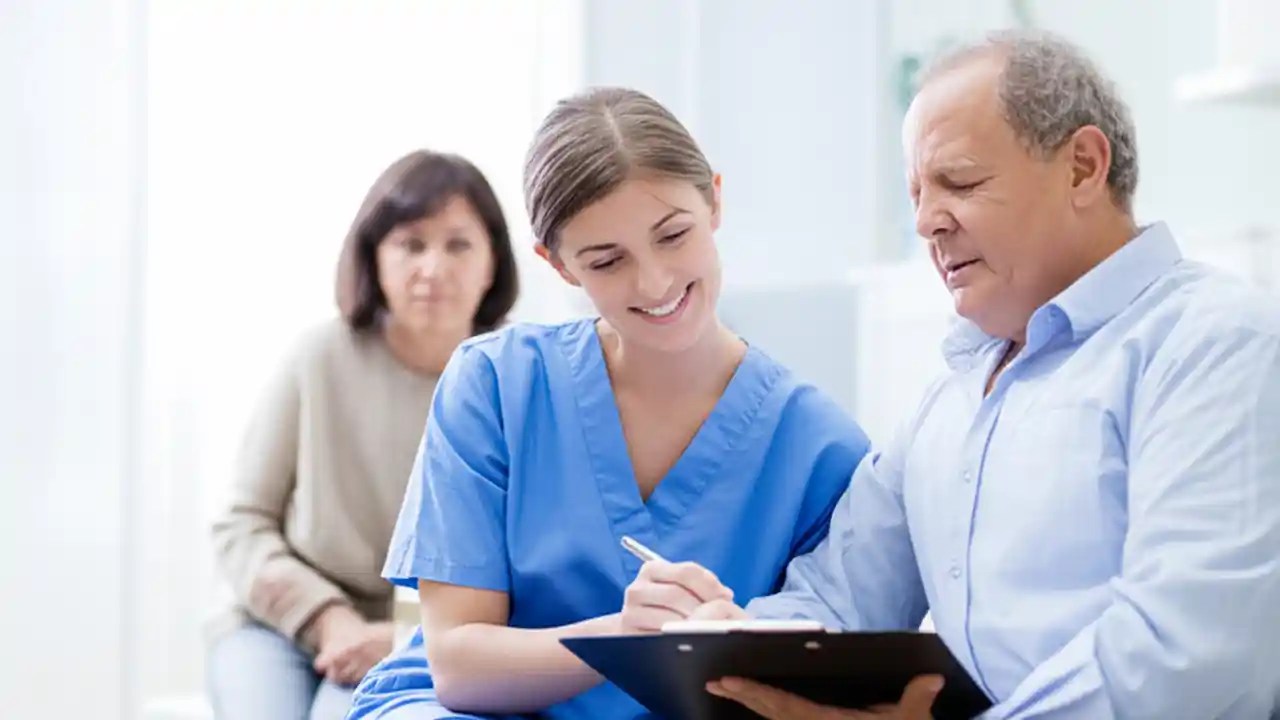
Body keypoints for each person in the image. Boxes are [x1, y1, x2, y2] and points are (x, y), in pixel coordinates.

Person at [640, 30, 1280, 719]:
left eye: (961, 182)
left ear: (1084, 168)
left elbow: (1186, 662)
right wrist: (727, 643)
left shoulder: (1213, 343)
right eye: (916, 193)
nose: (924, 223)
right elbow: (836, 597)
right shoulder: (951, 397)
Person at [346, 87, 872, 719]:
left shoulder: (820, 448)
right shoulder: (494, 385)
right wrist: (626, 637)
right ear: (561, 266)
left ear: (714, 201)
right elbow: (459, 669)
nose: (653, 282)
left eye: (673, 235)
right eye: (606, 260)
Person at [206, 150, 520, 720]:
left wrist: (401, 636)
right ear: (374, 257)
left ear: (493, 262)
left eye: (458, 244)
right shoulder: (318, 358)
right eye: (410, 244)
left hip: (436, 638)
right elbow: (241, 524)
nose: (433, 268)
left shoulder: (518, 380)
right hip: (281, 625)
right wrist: (329, 618)